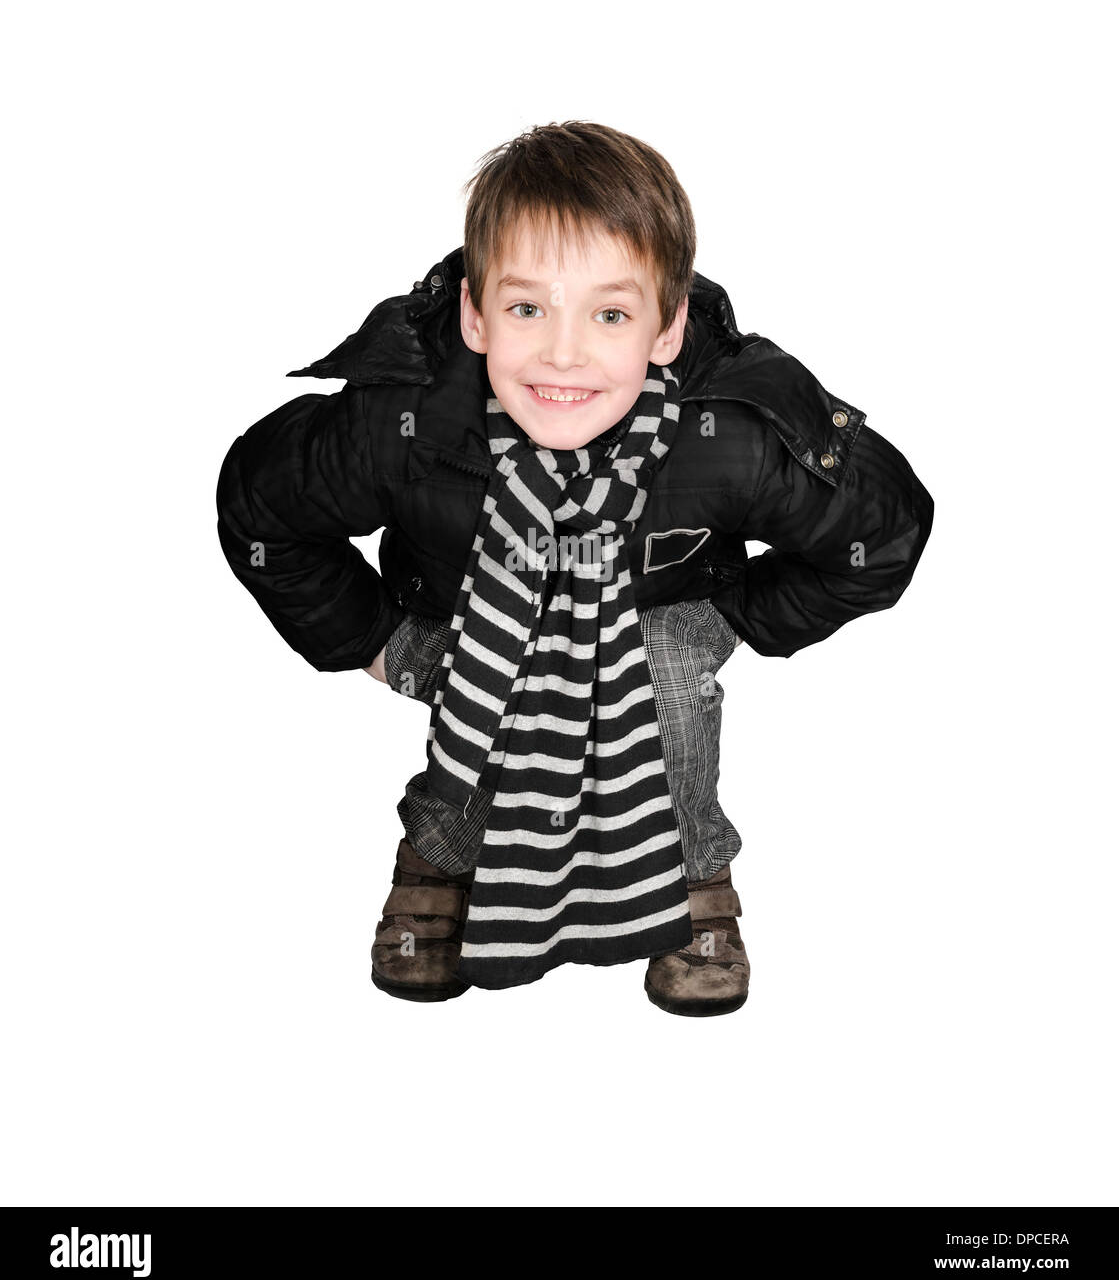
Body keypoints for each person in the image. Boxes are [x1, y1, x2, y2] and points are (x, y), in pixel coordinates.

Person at [216, 121, 934, 1017]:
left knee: (661, 671)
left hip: (656, 611)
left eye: (609, 314)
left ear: (665, 328)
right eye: (527, 310)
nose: (563, 354)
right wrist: (372, 640)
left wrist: (745, 622)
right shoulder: (400, 423)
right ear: (477, 313)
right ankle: (440, 848)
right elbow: (262, 512)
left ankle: (693, 870)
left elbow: (884, 532)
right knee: (502, 657)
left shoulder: (729, 438)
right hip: (462, 619)